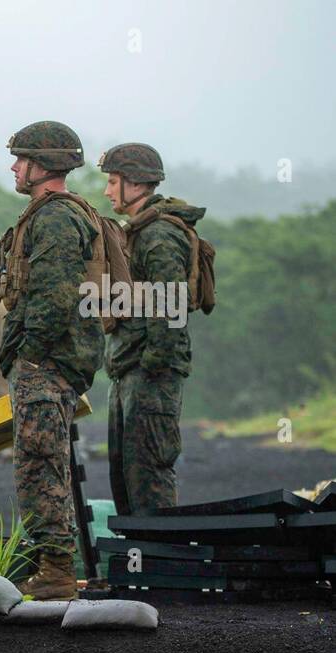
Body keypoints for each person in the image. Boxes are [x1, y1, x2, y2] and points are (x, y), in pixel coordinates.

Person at [0, 121, 105, 600]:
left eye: (21, 159)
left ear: (43, 165)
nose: (14, 167)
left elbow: (55, 298)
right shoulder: (48, 214)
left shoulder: (56, 217)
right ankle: (52, 567)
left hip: (48, 363)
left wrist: (31, 358)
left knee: (40, 464)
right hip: (49, 362)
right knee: (41, 462)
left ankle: (57, 571)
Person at [99, 142, 201, 515]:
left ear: (138, 184)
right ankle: (138, 563)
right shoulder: (138, 232)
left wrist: (154, 363)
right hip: (130, 369)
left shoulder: (158, 235)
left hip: (149, 373)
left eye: (113, 182)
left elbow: (172, 307)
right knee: (126, 474)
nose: (107, 191)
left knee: (149, 476)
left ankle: (160, 564)